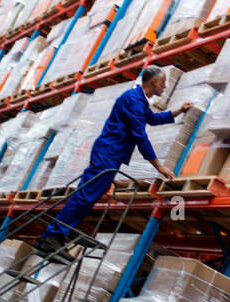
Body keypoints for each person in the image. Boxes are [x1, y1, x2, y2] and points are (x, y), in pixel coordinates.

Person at [34, 66, 191, 261]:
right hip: (108, 154)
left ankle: (52, 235)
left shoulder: (139, 100)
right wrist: (159, 166)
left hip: (110, 154)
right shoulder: (134, 101)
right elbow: (140, 136)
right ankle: (54, 235)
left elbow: (152, 119)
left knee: (88, 195)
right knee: (86, 196)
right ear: (155, 82)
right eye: (164, 82)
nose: (165, 86)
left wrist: (178, 111)